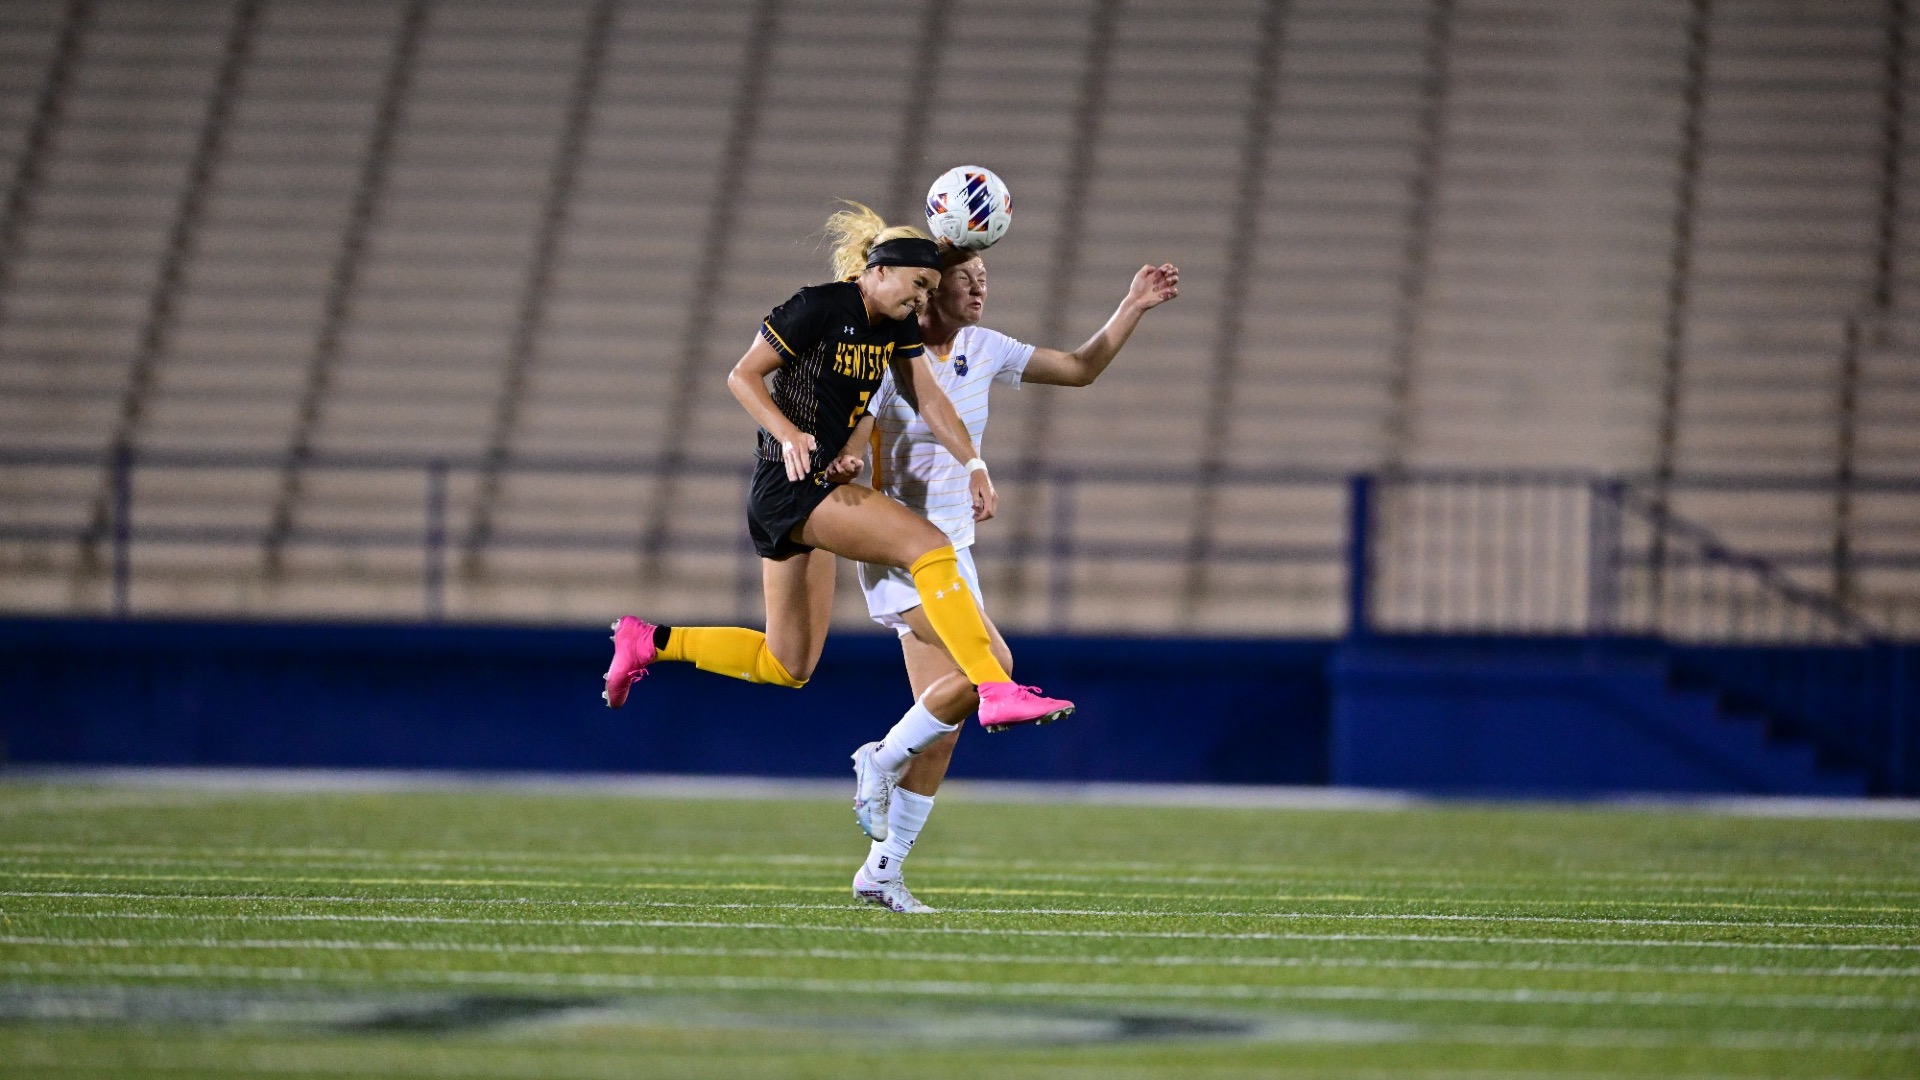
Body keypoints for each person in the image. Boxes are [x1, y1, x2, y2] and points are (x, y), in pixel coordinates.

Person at [601, 202, 1074, 758]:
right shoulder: (818, 305)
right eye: (917, 285)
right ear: (878, 271)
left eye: (928, 291)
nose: (921, 300)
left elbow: (929, 398)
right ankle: (995, 688)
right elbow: (743, 375)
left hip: (810, 488)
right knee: (929, 545)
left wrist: (972, 464)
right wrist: (787, 433)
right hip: (791, 483)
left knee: (786, 664)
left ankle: (650, 641)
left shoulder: (894, 326)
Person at [842, 249, 1181, 913]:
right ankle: (878, 760)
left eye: (985, 280)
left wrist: (1132, 306)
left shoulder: (985, 347)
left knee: (944, 725)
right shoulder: (888, 358)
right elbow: (855, 439)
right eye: (967, 280)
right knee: (994, 664)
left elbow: (1080, 368)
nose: (980, 290)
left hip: (954, 555)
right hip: (898, 546)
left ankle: (882, 872)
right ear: (929, 291)